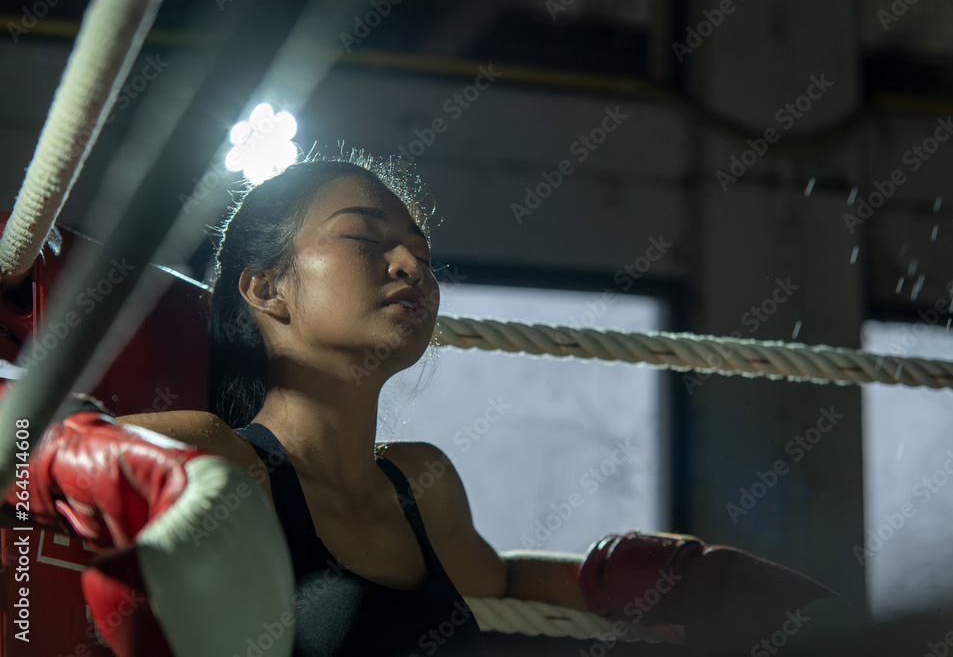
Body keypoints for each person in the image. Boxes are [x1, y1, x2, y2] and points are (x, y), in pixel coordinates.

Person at [115, 150, 832, 655]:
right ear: (266, 287)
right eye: (367, 237)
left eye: (422, 256)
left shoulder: (422, 486)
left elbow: (505, 579)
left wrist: (667, 581)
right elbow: (19, 454)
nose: (411, 267)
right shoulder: (213, 458)